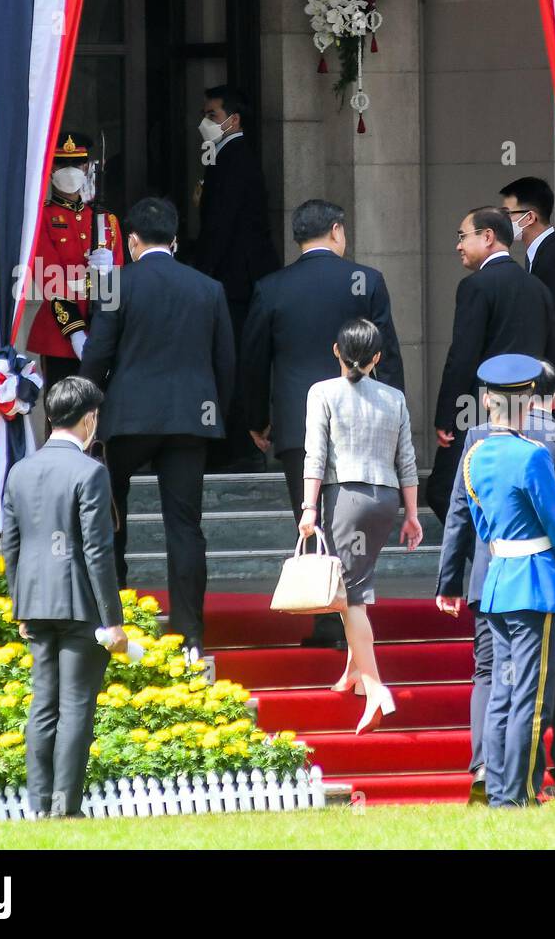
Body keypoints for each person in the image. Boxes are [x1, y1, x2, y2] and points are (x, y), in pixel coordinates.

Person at [436, 360, 555, 804]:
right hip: (534, 584)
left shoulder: (474, 455)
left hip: (496, 584)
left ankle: (496, 788)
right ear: (530, 401)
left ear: (488, 400)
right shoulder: (532, 455)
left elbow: (477, 523)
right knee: (532, 700)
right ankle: (519, 793)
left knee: (501, 695)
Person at [245, 199, 404, 650]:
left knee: (312, 517)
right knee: (350, 522)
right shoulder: (366, 282)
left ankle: (330, 621)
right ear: (337, 231)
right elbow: (386, 354)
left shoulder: (271, 287)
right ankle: (352, 616)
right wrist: (395, 418)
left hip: (298, 421)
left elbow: (254, 360)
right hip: (362, 420)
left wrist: (257, 419)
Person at [80, 197, 234, 661]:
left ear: (130, 241)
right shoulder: (208, 287)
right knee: (185, 526)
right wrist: (214, 413)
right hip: (191, 418)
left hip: (126, 418)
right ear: (174, 238)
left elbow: (98, 355)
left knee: (111, 518)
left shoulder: (114, 282)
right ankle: (189, 633)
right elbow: (225, 363)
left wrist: (83, 415)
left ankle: (115, 618)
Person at [1, 376, 127, 818]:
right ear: (89, 418)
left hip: (34, 602)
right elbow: (97, 550)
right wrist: (114, 620)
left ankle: (39, 804)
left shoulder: (19, 469)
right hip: (79, 606)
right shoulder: (91, 471)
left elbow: (11, 545)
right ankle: (65, 806)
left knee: (43, 704)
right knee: (75, 705)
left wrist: (19, 605)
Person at [299, 319, 423, 735]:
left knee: (351, 596)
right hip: (384, 500)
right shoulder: (394, 397)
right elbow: (407, 460)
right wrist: (412, 514)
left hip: (345, 499)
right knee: (358, 588)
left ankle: (374, 689)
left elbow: (314, 456)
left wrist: (307, 507)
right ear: (377, 358)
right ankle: (355, 672)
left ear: (337, 350)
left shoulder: (323, 392)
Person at [428, 207, 555, 522]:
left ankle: (489, 556)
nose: (458, 245)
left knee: (444, 490)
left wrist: (447, 416)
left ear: (487, 236)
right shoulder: (538, 288)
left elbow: (462, 356)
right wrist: (550, 407)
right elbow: (554, 356)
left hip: (478, 412)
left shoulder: (475, 286)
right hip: (531, 411)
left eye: (463, 236)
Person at [195, 85, 281, 472]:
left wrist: (203, 274)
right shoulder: (226, 156)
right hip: (238, 278)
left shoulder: (234, 158)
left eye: (212, 115)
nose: (206, 123)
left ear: (234, 119)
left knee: (233, 360)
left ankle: (239, 444)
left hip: (237, 281)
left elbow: (221, 226)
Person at [24, 131, 122, 401]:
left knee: (99, 415)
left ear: (87, 167)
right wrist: (76, 332)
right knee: (63, 415)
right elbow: (49, 278)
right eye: (61, 164)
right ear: (51, 168)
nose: (70, 172)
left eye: (77, 165)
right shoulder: (41, 218)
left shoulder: (106, 220)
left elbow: (120, 285)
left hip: (102, 332)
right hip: (61, 335)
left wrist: (110, 270)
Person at [500, 176, 555, 364]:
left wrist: (551, 381)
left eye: (508, 214)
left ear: (529, 217)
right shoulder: (539, 253)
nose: (503, 221)